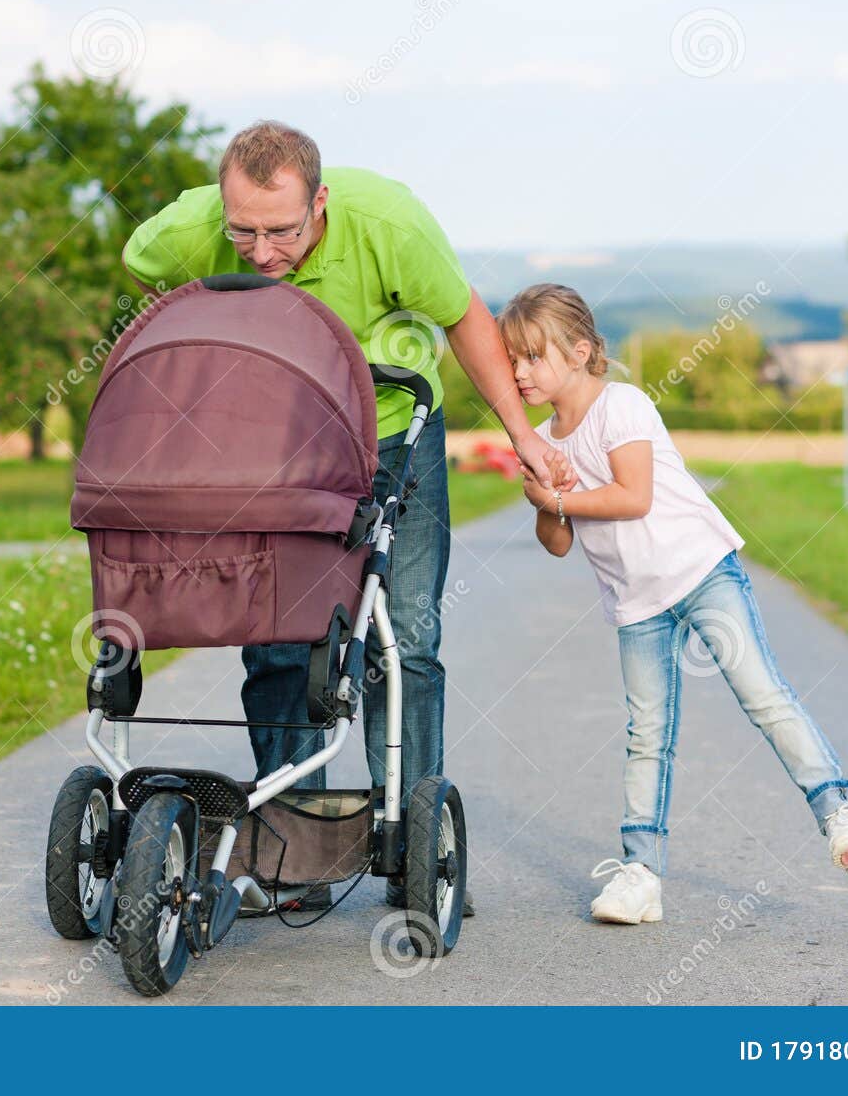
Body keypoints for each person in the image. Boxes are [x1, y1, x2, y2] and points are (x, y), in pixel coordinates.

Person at [123, 121, 562, 913]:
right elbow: (145, 278)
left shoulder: (390, 226)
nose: (259, 251)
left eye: (281, 232)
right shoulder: (192, 229)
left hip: (392, 436)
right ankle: (295, 854)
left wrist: (522, 434)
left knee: (408, 641)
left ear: (319, 202)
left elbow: (465, 318)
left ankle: (410, 845)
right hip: (269, 452)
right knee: (283, 641)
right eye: (243, 230)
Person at [498, 282, 848, 924]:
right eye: (513, 360)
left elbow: (633, 496)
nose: (519, 372)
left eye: (532, 357)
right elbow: (558, 542)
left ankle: (839, 811)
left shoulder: (622, 405)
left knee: (762, 693)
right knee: (646, 734)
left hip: (702, 572)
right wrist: (544, 495)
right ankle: (640, 874)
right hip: (635, 604)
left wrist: (560, 498)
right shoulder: (540, 439)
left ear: (580, 351)